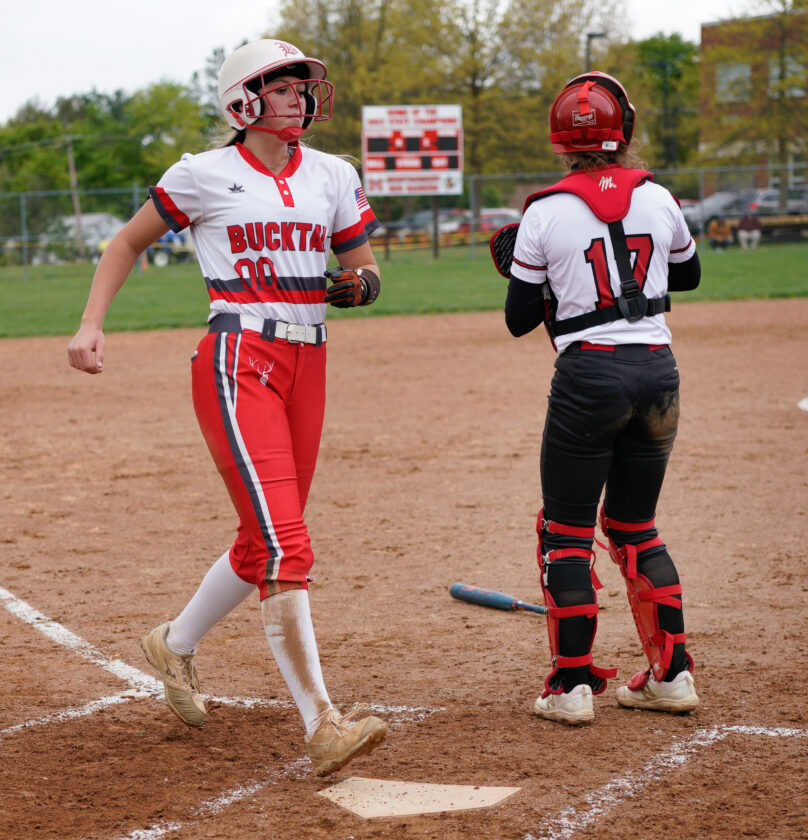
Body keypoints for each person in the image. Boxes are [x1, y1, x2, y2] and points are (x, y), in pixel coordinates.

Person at [67, 39, 387, 774]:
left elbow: (365, 266)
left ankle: (173, 643)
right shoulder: (203, 173)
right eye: (283, 87)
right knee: (285, 543)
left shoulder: (333, 174)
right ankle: (323, 724)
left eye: (304, 87)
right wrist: (90, 324)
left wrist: (360, 286)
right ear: (245, 100)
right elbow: (125, 243)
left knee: (265, 537)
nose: (300, 97)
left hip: (310, 360)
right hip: (239, 357)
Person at [498, 72, 701, 725]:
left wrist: (533, 276)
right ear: (627, 130)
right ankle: (672, 676)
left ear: (560, 141)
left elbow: (519, 319)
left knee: (565, 532)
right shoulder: (659, 197)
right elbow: (689, 275)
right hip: (658, 372)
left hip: (589, 377)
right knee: (635, 526)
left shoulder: (544, 211)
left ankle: (570, 685)